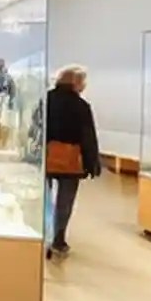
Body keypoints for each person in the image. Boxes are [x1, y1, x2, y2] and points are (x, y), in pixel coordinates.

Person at [45, 64, 101, 256]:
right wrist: (92, 163)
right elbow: (88, 136)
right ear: (76, 83)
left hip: (46, 156)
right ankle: (58, 239)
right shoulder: (81, 106)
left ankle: (41, 234)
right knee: (65, 201)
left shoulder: (46, 100)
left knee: (44, 198)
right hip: (70, 160)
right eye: (83, 81)